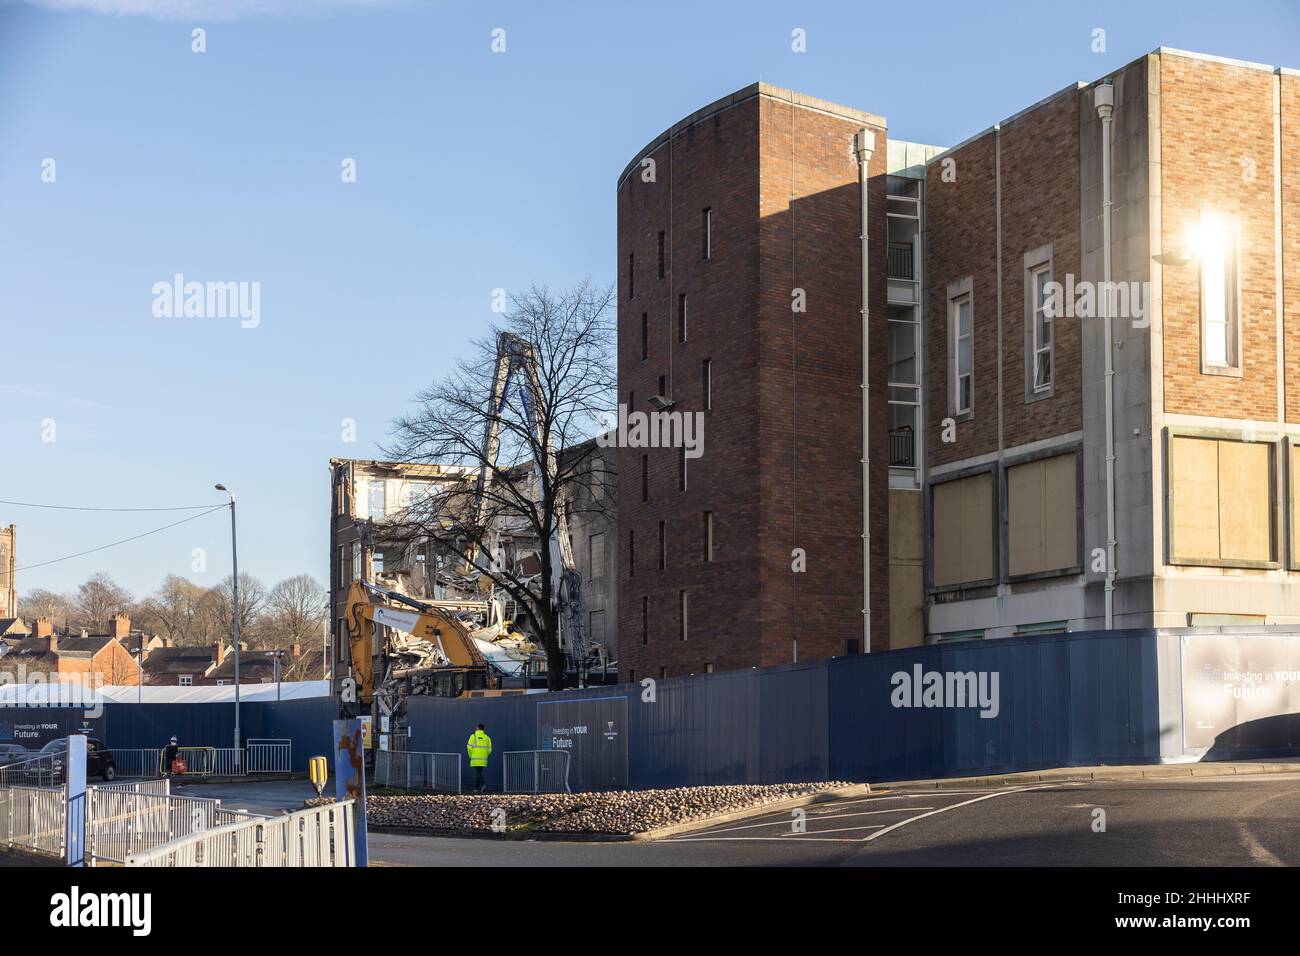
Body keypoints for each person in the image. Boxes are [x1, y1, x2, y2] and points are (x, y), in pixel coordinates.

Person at [466, 723, 492, 793]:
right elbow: (489, 749)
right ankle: (477, 787)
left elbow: (469, 747)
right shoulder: (487, 738)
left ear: (477, 728)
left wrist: (471, 756)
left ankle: (483, 784)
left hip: (475, 758)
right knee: (479, 772)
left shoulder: (473, 736)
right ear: (483, 729)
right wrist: (484, 755)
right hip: (483, 759)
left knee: (478, 772)